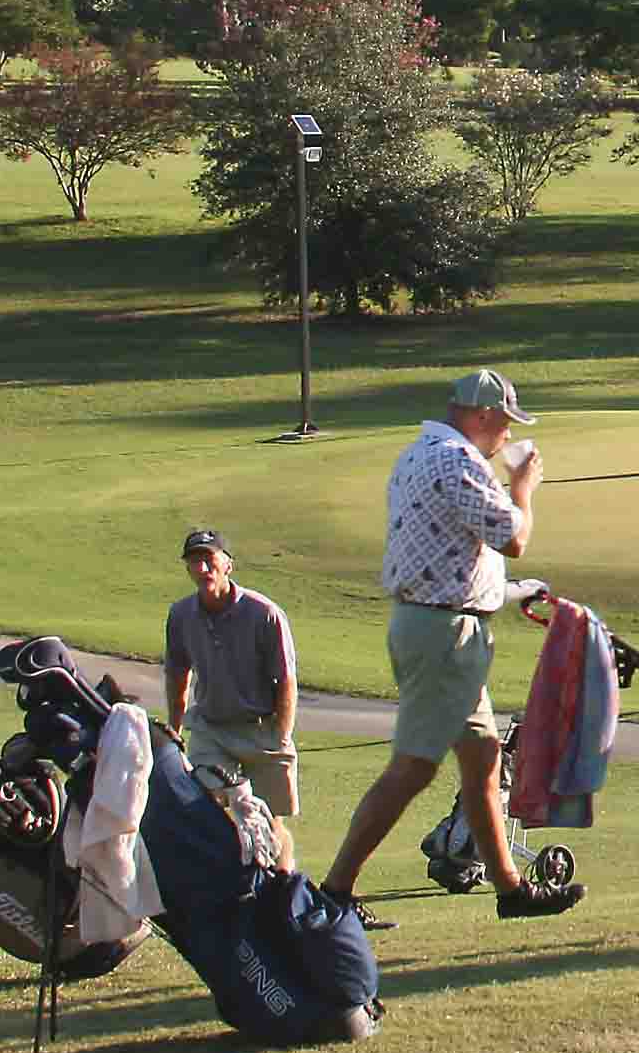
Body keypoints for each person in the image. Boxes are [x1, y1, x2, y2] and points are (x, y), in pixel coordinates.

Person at [320, 369, 585, 926]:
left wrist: (506, 591)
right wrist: (523, 489)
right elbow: (513, 534)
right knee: (413, 768)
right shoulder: (459, 461)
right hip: (445, 636)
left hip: (442, 627)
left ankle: (510, 888)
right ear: (482, 417)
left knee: (483, 761)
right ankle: (335, 889)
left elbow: (449, 554)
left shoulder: (418, 453)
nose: (508, 436)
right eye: (506, 424)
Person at [162, 529, 301, 869]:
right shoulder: (181, 615)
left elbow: (285, 681)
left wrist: (281, 735)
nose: (202, 568)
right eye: (195, 561)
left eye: (209, 560)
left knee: (271, 822)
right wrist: (175, 731)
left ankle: (282, 889)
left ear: (228, 565)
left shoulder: (264, 613)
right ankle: (226, 885)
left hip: (261, 729)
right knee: (208, 806)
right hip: (211, 729)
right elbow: (178, 674)